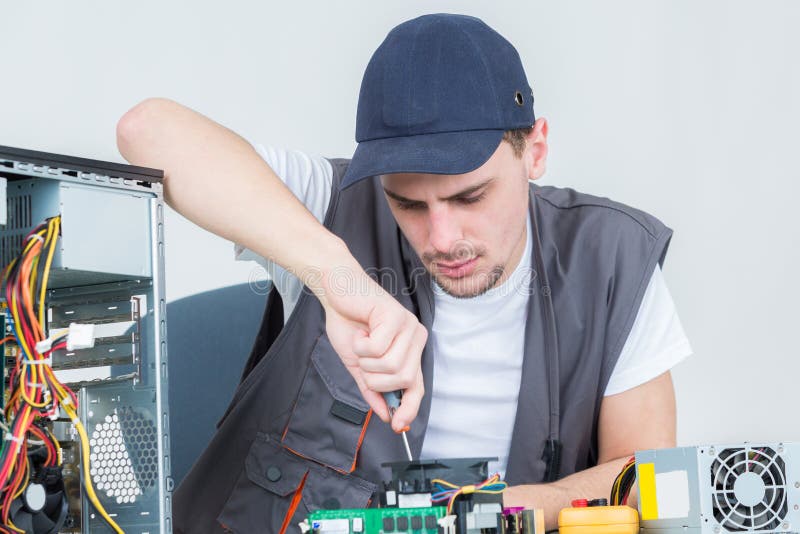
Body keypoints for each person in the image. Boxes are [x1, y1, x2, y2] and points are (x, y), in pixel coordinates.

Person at [117, 13, 691, 533]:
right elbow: (146, 133)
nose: (441, 240)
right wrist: (338, 280)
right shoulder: (330, 204)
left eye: (470, 196)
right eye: (408, 204)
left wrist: (498, 512)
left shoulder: (614, 260)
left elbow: (645, 477)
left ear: (535, 150)